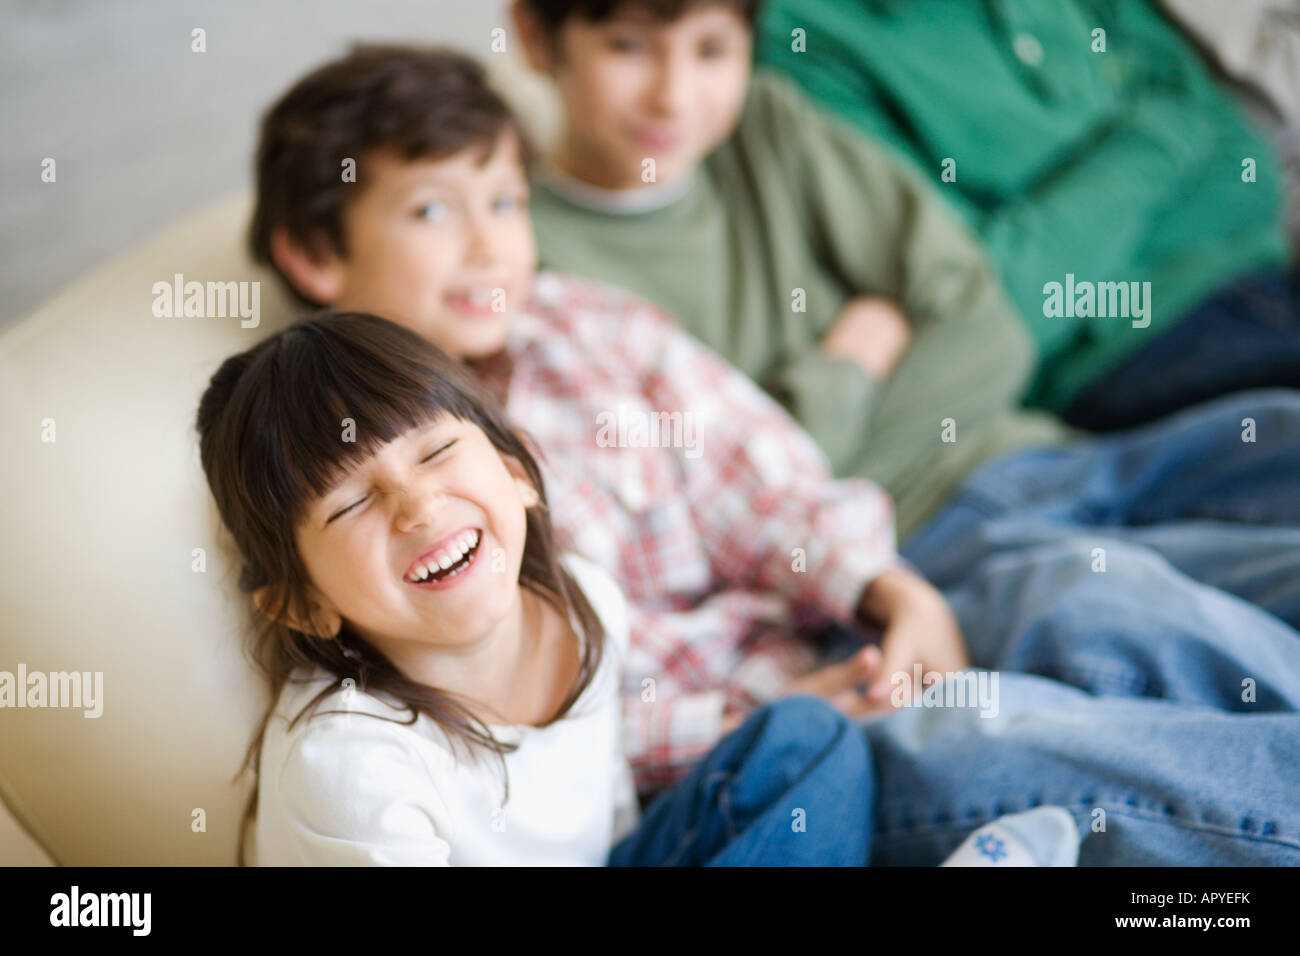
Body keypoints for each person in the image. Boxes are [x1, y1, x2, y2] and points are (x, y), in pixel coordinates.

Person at [244, 45, 1300, 864]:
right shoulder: (337, 462)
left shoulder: (582, 322)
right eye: (434, 210)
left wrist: (890, 592)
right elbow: (554, 709)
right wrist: (779, 710)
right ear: (314, 253)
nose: (489, 245)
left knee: (1097, 601)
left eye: (506, 201)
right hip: (759, 754)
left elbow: (762, 473)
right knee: (1063, 746)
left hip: (854, 632)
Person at [196, 311, 884, 866]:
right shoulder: (352, 767)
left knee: (808, 744)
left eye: (436, 453)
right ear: (304, 604)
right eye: (350, 505)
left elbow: (605, 801)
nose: (418, 508)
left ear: (518, 471)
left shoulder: (586, 603)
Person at [753, 0, 1300, 428]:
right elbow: (992, 303)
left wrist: (1075, 215)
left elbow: (1243, 159)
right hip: (1137, 352)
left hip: (1270, 274)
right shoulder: (800, 45)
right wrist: (1158, 136)